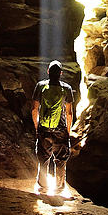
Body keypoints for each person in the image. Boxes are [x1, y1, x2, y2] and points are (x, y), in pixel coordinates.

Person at [31, 60, 75, 193]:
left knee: (44, 158)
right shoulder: (66, 88)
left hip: (44, 128)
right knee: (60, 159)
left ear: (48, 72)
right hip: (60, 128)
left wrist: (37, 127)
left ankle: (43, 185)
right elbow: (69, 113)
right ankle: (59, 186)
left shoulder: (40, 86)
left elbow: (34, 109)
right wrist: (67, 131)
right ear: (61, 73)